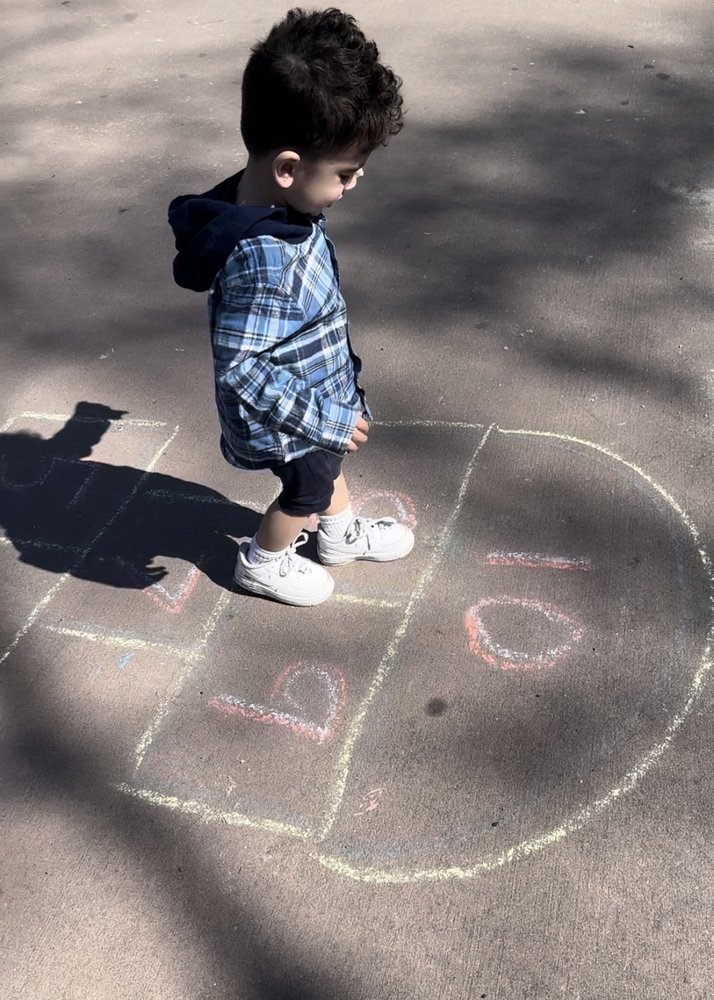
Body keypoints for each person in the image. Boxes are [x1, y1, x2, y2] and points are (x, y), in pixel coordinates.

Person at [168, 7, 412, 606]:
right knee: (305, 488)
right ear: (287, 168)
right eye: (347, 174)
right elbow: (242, 367)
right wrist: (325, 420)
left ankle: (339, 536)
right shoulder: (261, 258)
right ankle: (264, 559)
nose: (352, 185)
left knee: (325, 471)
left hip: (315, 392)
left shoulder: (275, 200)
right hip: (291, 418)